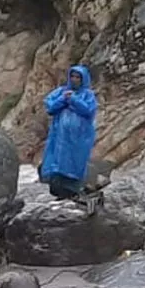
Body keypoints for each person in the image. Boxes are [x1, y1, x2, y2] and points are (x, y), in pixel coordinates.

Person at [40, 65, 99, 211]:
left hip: (79, 137)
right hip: (59, 137)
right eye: (72, 76)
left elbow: (89, 110)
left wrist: (73, 100)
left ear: (83, 79)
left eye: (78, 77)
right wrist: (63, 99)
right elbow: (50, 107)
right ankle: (59, 192)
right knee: (58, 163)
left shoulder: (88, 95)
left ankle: (74, 191)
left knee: (75, 162)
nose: (74, 80)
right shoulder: (61, 91)